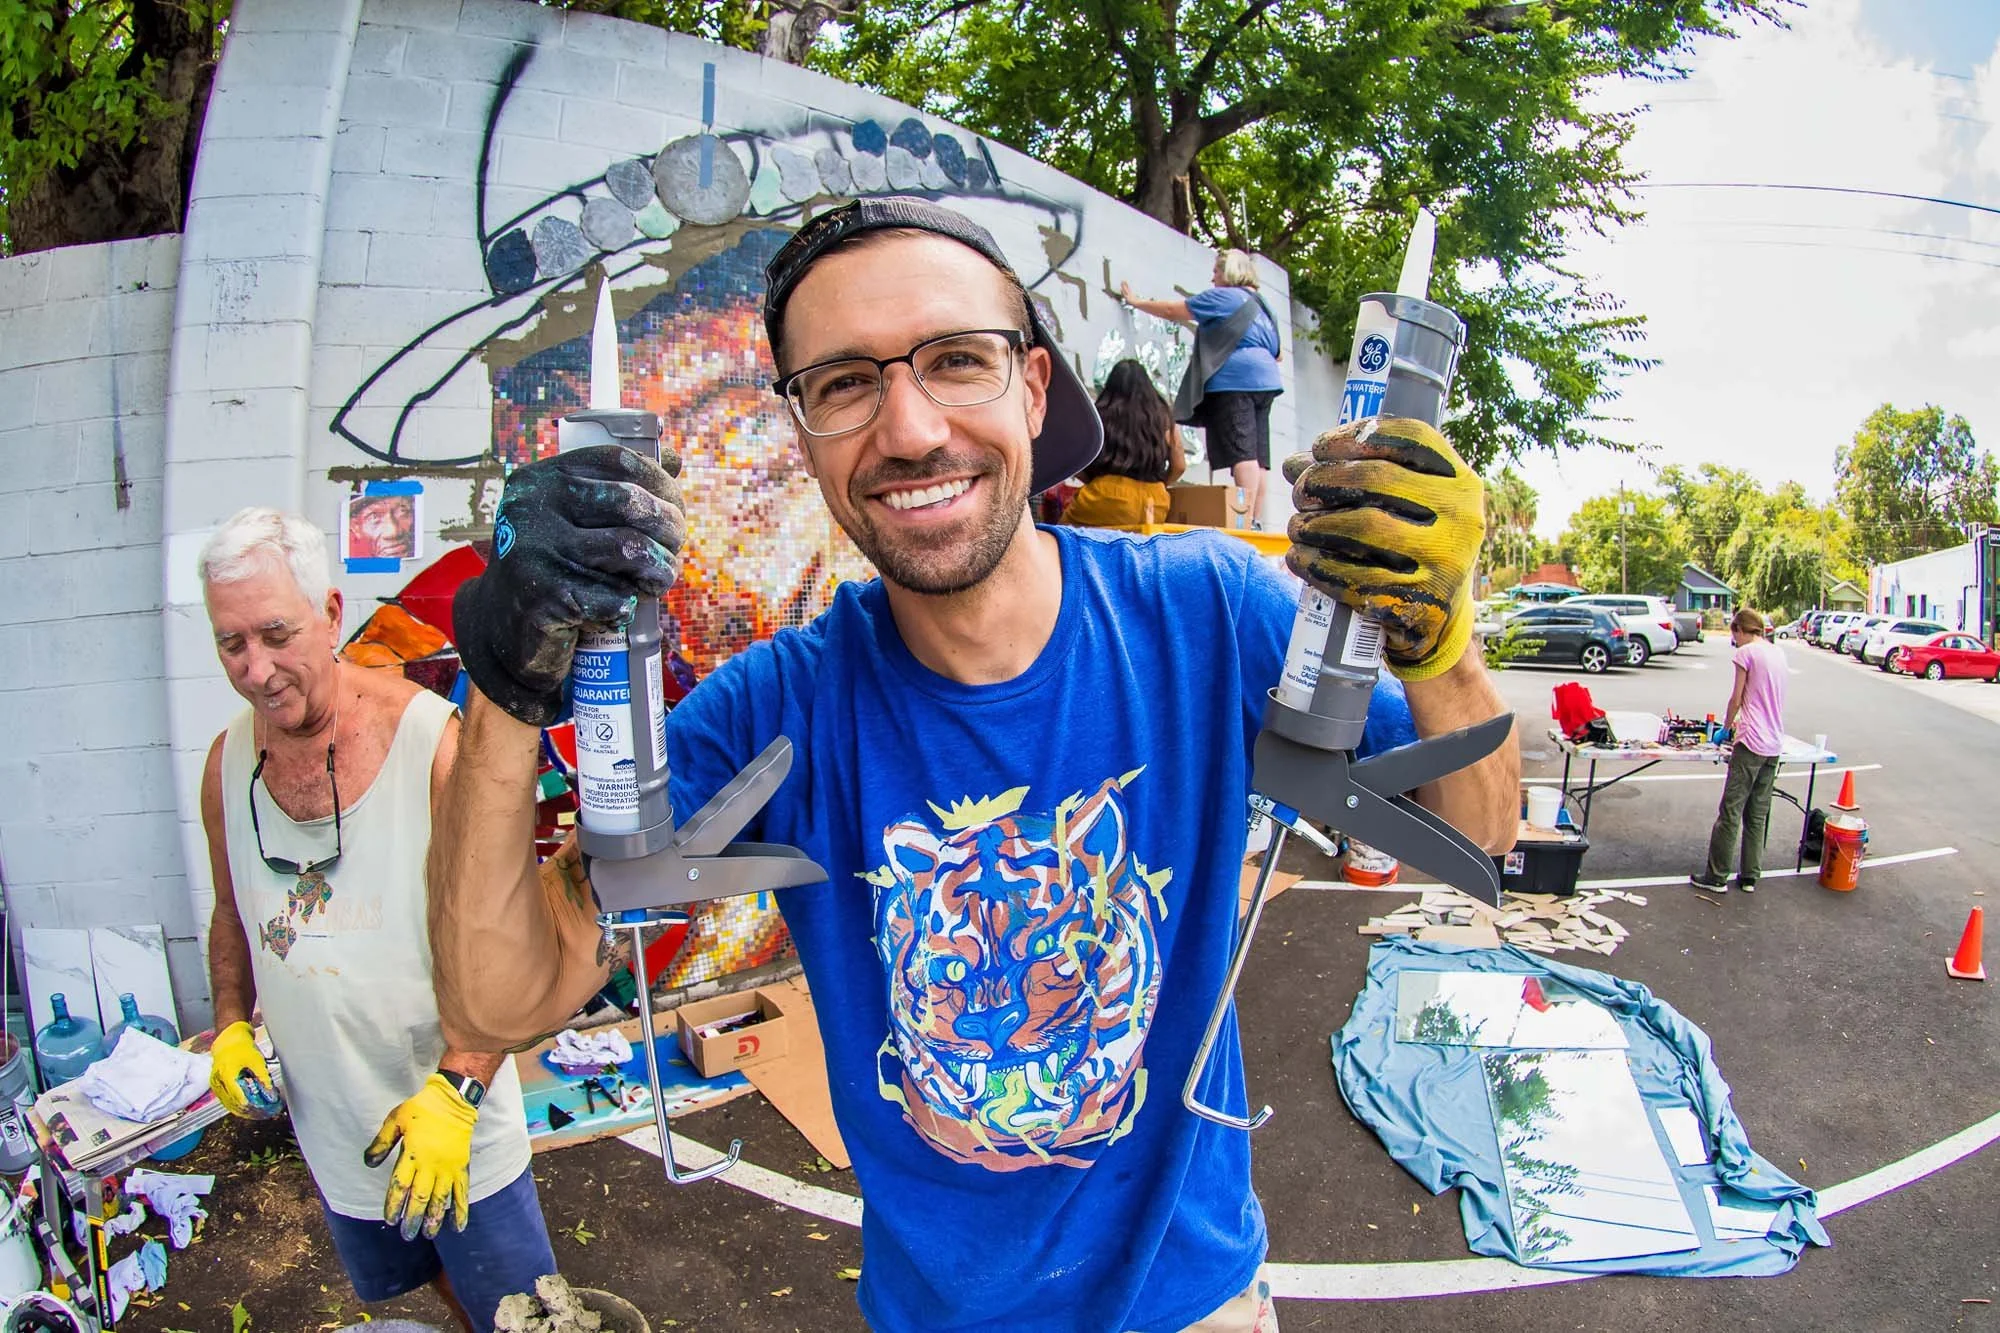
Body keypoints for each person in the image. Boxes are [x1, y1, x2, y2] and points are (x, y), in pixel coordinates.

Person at [431, 198, 1516, 1333]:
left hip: (1196, 1307)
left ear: (1035, 389)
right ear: (802, 434)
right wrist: (506, 691)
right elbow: (499, 1000)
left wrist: (1438, 641)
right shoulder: (781, 710)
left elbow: (1475, 835)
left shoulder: (1203, 615)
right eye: (843, 384)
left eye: (957, 359)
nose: (906, 430)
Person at [196, 509, 555, 1333]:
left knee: (517, 1317)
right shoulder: (225, 767)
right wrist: (226, 1027)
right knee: (432, 1295)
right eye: (232, 643)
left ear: (327, 613)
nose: (257, 669)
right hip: (340, 1138)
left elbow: (517, 938)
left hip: (454, 1129)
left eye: (277, 633)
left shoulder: (431, 744)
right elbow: (230, 912)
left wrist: (459, 1092)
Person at [1122, 249, 1283, 527]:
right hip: (1267, 382)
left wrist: (1135, 301)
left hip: (1235, 381)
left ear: (1229, 272)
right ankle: (1256, 519)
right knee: (1259, 458)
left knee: (1242, 452)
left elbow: (1175, 311)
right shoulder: (1265, 306)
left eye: (1217, 272)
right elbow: (1278, 353)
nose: (1213, 277)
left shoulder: (1223, 297)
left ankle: (1242, 521)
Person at [1692, 607, 1788, 894]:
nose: (1735, 641)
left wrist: (1725, 727)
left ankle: (1717, 875)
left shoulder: (1746, 654)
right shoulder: (1777, 653)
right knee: (1757, 814)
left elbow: (1737, 697)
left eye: (1735, 635)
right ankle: (1749, 876)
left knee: (1731, 812)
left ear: (1739, 630)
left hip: (1751, 740)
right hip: (1774, 741)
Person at [1061, 358, 1186, 527]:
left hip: (1104, 496)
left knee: (1060, 538)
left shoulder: (1101, 414)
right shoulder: (1163, 417)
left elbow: (1074, 459)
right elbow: (1179, 466)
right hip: (1154, 501)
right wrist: (1160, 485)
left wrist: (1093, 482)